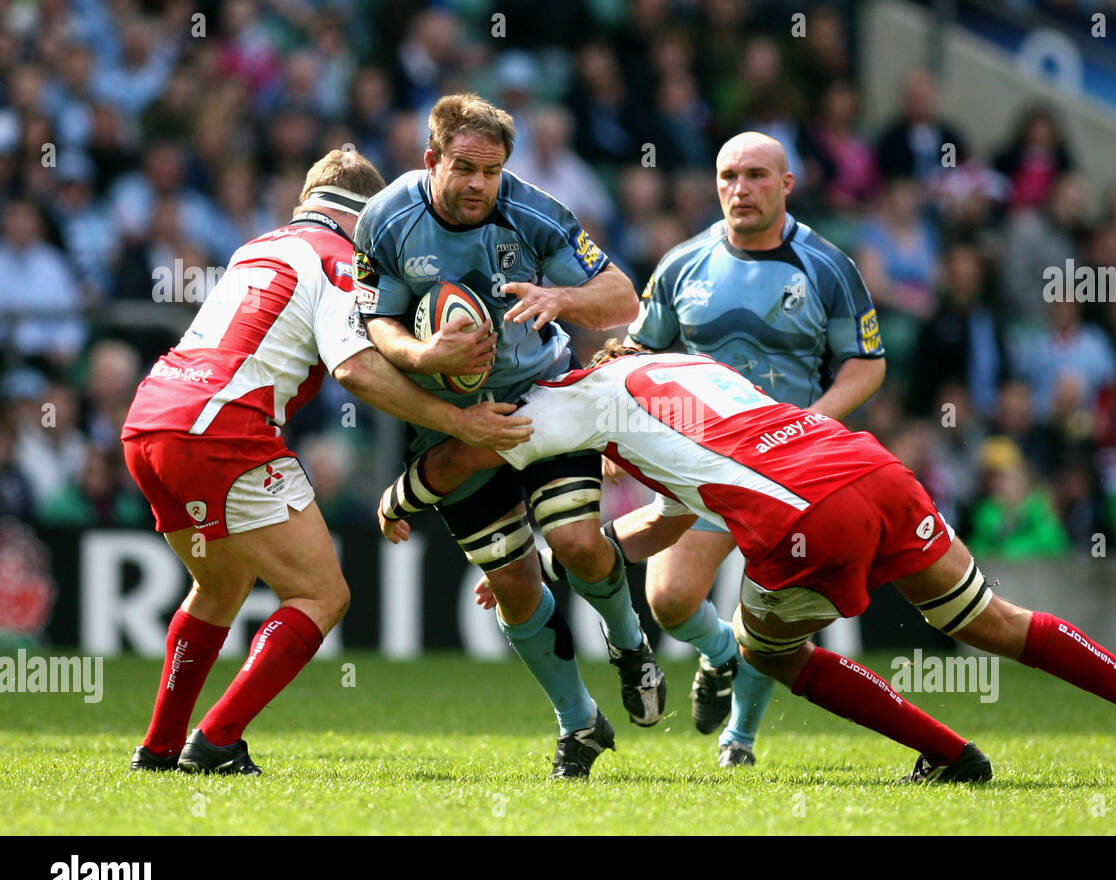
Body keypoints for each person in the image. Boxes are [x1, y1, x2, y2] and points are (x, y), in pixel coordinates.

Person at [380, 344, 1116, 787]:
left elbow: (481, 443)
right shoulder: (686, 370)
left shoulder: (580, 396)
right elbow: (672, 511)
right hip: (871, 467)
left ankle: (949, 752)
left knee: (771, 654)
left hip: (806, 514)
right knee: (991, 620)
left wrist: (408, 494)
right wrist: (560, 563)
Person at [122, 149, 532, 775]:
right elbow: (356, 369)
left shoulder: (257, 246)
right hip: (222, 431)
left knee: (220, 585)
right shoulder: (342, 259)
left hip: (152, 421)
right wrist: (457, 418)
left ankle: (157, 749)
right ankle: (216, 743)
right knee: (322, 594)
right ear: (367, 215)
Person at [353, 93, 663, 779]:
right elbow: (377, 322)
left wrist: (562, 299)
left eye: (491, 171)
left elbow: (623, 294)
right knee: (517, 585)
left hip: (541, 397)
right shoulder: (386, 220)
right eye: (463, 167)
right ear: (431, 158)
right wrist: (420, 355)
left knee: (580, 544)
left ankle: (628, 641)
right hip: (453, 423)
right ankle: (578, 723)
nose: (478, 185)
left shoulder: (531, 210)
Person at [625, 131, 885, 766]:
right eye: (728, 176)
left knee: (769, 617)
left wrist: (811, 424)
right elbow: (639, 353)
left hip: (793, 469)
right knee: (669, 599)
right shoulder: (681, 264)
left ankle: (739, 739)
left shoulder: (828, 267)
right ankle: (717, 656)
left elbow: (868, 363)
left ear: (787, 185)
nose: (740, 189)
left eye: (757, 176)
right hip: (702, 462)